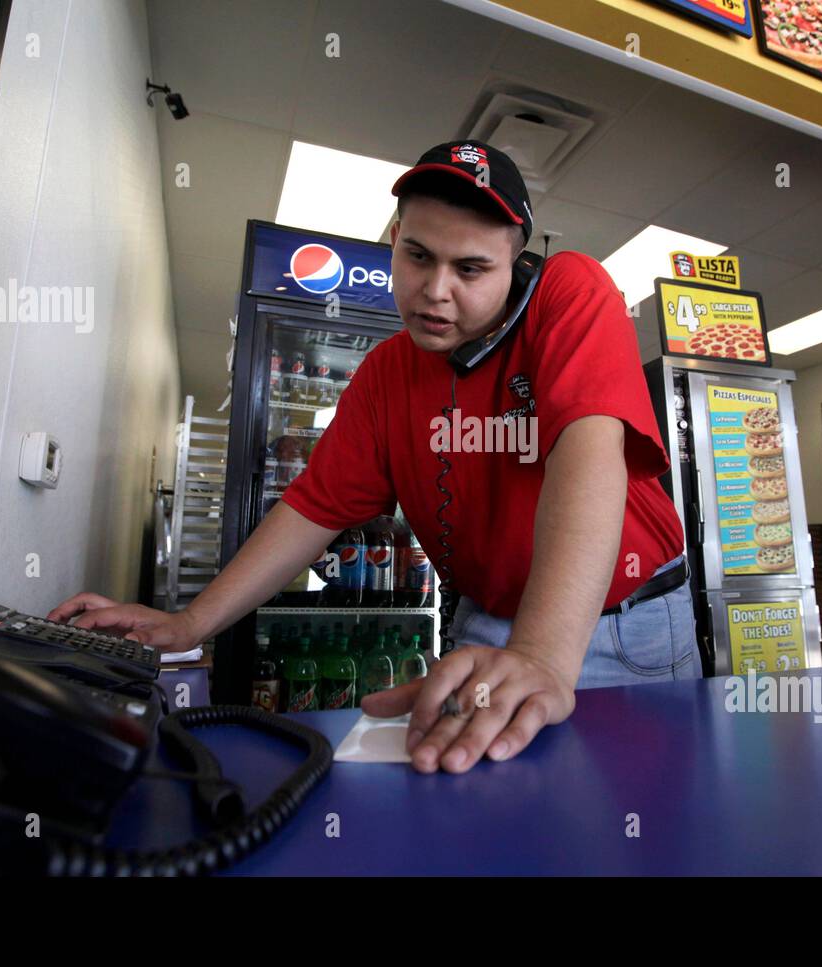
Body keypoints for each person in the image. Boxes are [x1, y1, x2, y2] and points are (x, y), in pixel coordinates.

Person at [50, 141, 698, 774]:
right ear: (393, 237)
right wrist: (191, 621)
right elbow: (313, 505)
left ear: (516, 264)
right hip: (491, 623)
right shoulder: (385, 374)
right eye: (417, 255)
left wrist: (544, 656)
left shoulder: (571, 288)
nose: (435, 290)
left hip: (624, 624)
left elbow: (587, 456)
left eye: (470, 269)